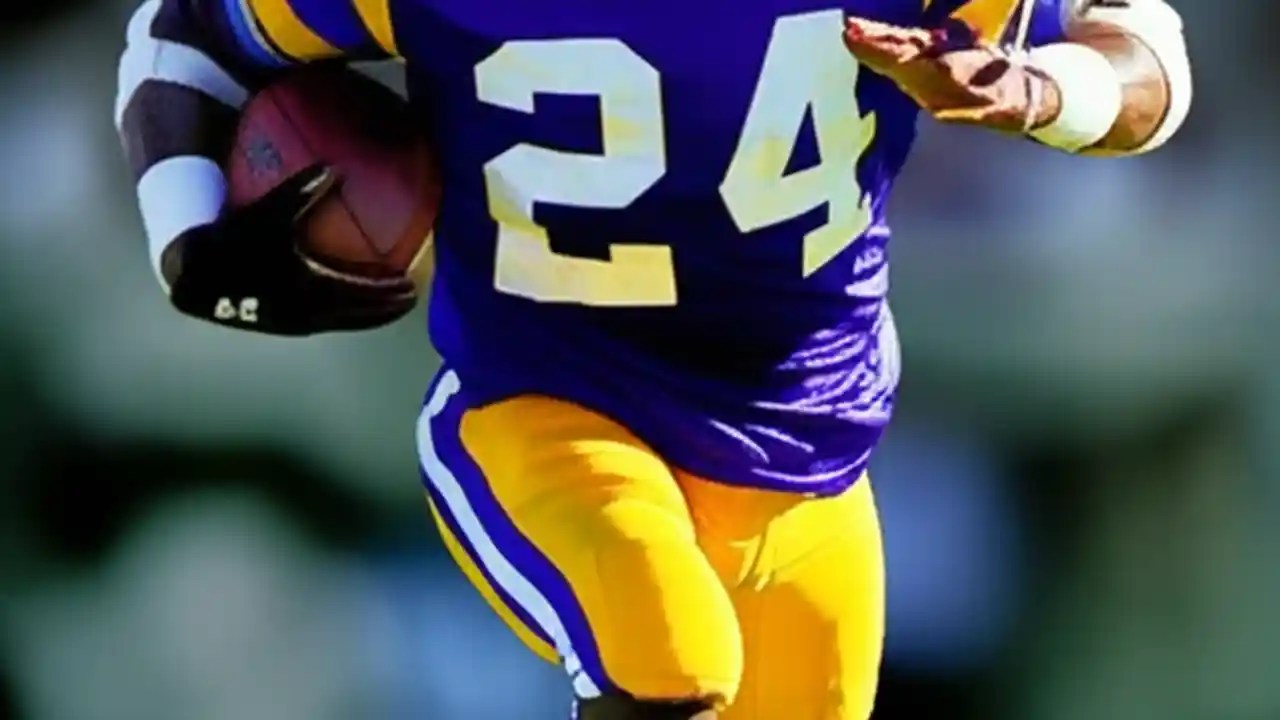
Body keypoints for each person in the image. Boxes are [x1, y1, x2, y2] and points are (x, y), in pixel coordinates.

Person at [114, 0, 1192, 717]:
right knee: (662, 663)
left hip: (806, 461)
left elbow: (1144, 51)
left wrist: (1047, 91)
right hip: (549, 411)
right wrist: (190, 233)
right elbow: (187, 35)